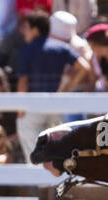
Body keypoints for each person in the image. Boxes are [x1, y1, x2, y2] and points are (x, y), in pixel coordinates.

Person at [14, 10, 87, 155]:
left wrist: (20, 109)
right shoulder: (61, 48)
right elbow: (84, 67)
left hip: (32, 107)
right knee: (56, 152)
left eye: (26, 28)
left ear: (35, 30)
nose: (23, 32)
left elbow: (23, 82)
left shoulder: (26, 50)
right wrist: (67, 89)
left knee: (33, 154)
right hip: (55, 105)